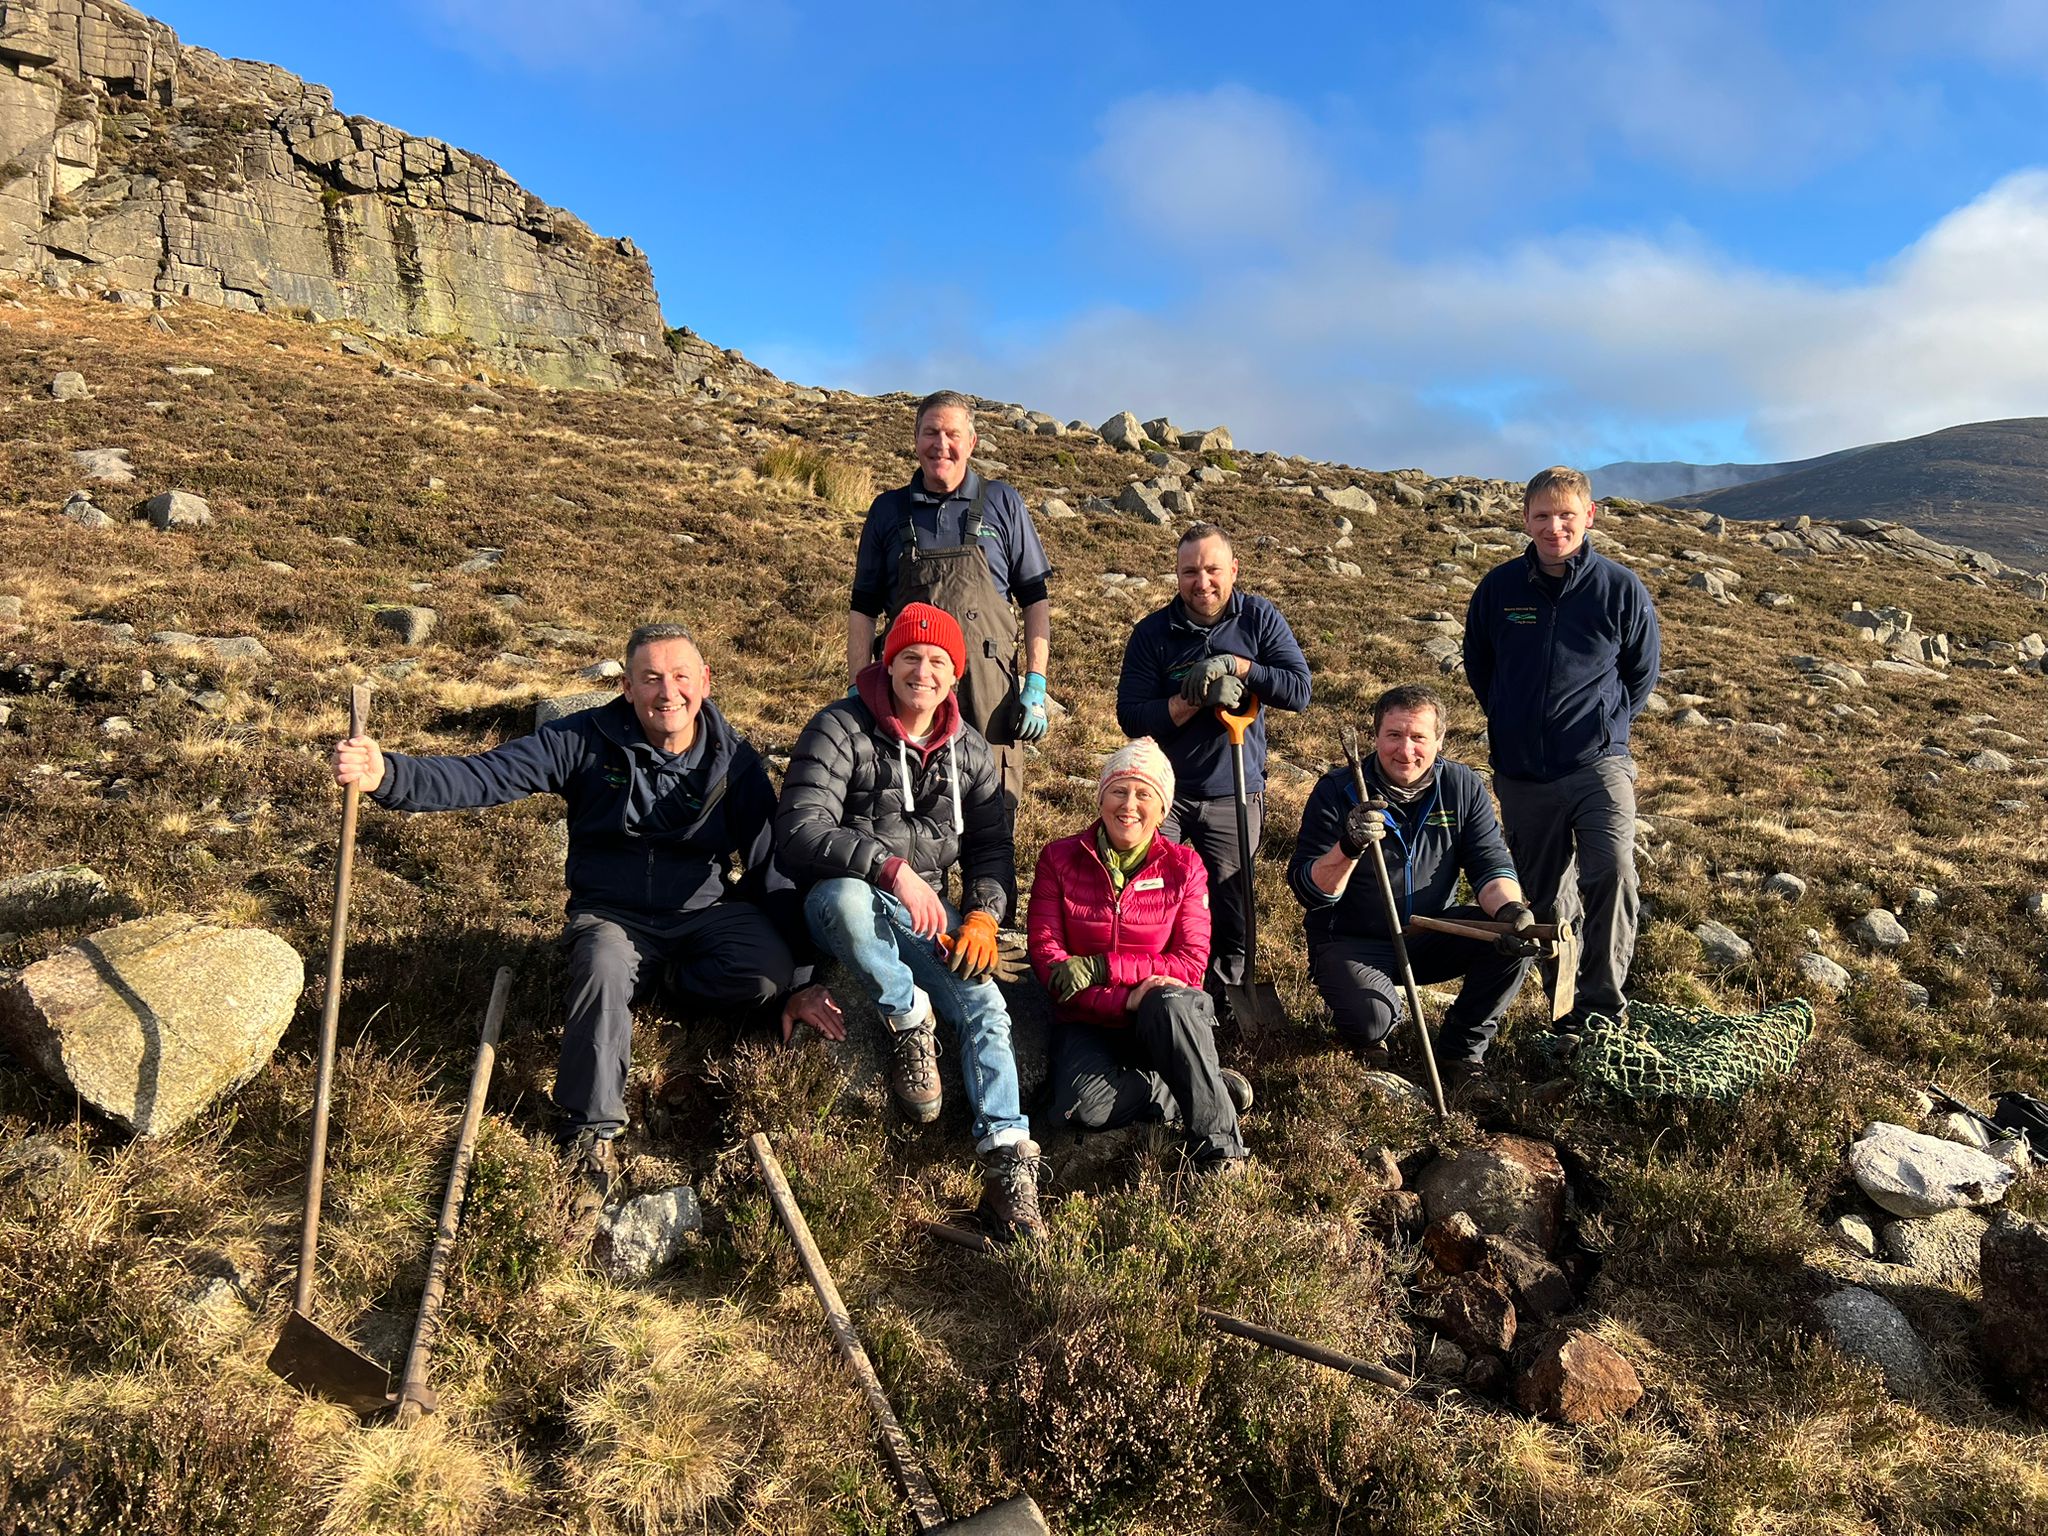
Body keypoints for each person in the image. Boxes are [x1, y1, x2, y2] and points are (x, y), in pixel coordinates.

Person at [330, 622, 842, 1231]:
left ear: (705, 682)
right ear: (626, 687)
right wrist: (387, 774)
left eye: (681, 676)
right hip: (613, 918)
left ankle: (662, 984)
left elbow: (772, 865)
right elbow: (487, 775)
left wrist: (800, 981)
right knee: (602, 962)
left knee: (765, 970)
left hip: (703, 917)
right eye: (650, 678)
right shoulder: (583, 739)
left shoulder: (736, 762)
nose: (667, 692)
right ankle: (590, 1133)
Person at [777, 601, 1042, 1239]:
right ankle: (906, 1014)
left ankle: (1008, 1161)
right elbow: (798, 831)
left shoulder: (973, 754)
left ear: (955, 677)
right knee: (845, 899)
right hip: (845, 902)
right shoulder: (839, 729)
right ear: (887, 662)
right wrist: (891, 869)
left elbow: (991, 850)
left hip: (929, 916)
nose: (923, 671)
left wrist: (982, 914)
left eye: (938, 662)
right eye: (910, 657)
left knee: (984, 1001)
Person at [1463, 466, 1661, 1029]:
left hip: (1598, 764)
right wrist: (1508, 717)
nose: (1555, 527)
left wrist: (1605, 725)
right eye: (1543, 516)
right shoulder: (1500, 589)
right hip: (1522, 775)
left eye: (1566, 515)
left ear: (1589, 516)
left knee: (1613, 871)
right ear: (1526, 519)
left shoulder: (1619, 589)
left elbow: (1640, 675)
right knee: (1545, 899)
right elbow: (1480, 663)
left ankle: (1602, 1007)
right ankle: (1566, 1009)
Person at [1289, 684, 1534, 1082]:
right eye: (1394, 736)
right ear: (1375, 737)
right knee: (1370, 1021)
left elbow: (1490, 866)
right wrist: (1348, 845)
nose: (1405, 751)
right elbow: (1308, 891)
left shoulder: (1461, 786)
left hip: (1430, 932)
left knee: (1512, 946)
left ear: (1439, 741)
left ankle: (1461, 1054)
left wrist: (1509, 911)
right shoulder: (1338, 790)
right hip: (1352, 940)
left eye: (1418, 737)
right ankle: (1373, 1031)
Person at [1029, 739, 1251, 1177]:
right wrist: (1121, 1001)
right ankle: (1204, 1084)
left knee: (1169, 1001)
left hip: (1166, 1014)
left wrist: (1102, 967)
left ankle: (1221, 1149)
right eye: (1119, 790)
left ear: (1163, 810)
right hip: (1088, 1020)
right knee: (1078, 1109)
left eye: (1144, 794)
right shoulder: (1058, 858)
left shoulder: (1185, 867)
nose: (1129, 804)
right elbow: (1048, 959)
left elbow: (1189, 965)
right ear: (1101, 797)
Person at [1115, 522, 1311, 1007]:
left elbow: (1299, 690)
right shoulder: (1153, 633)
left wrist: (1239, 667)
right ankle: (1161, 990)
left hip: (1235, 790)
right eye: (1190, 572)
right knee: (1155, 896)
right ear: (1176, 575)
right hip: (1168, 798)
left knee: (1232, 901)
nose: (1202, 582)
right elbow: (1132, 715)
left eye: (1212, 569)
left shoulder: (1260, 619)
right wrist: (1191, 700)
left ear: (1233, 570)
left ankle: (1228, 999)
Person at [846, 390, 1054, 822]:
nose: (941, 444)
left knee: (993, 820)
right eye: (931, 432)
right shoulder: (887, 511)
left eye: (952, 434)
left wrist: (1036, 683)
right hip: (911, 688)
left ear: (972, 442)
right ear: (916, 439)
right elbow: (862, 609)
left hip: (989, 692)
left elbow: (1035, 599)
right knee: (903, 816)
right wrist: (858, 685)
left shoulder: (1004, 503)